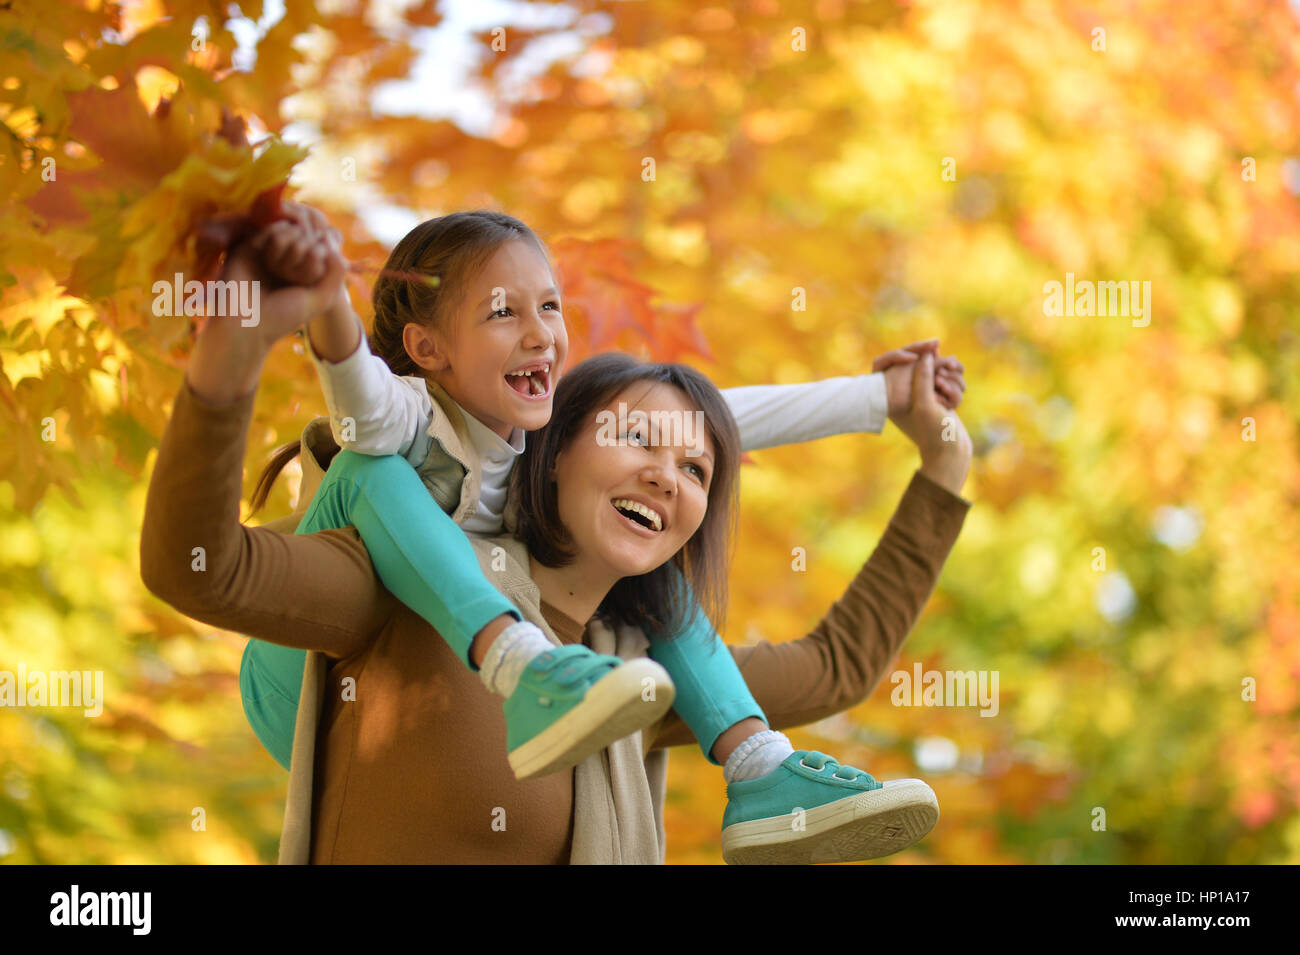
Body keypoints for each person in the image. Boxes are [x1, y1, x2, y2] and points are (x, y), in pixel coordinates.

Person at [139, 223, 972, 865]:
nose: (667, 475)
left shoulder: (629, 681)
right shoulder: (398, 586)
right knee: (372, 464)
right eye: (638, 440)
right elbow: (198, 566)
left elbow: (836, 665)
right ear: (556, 445)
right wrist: (240, 343)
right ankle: (517, 659)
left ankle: (757, 769)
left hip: (575, 675)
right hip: (316, 662)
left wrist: (932, 446)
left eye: (695, 469)